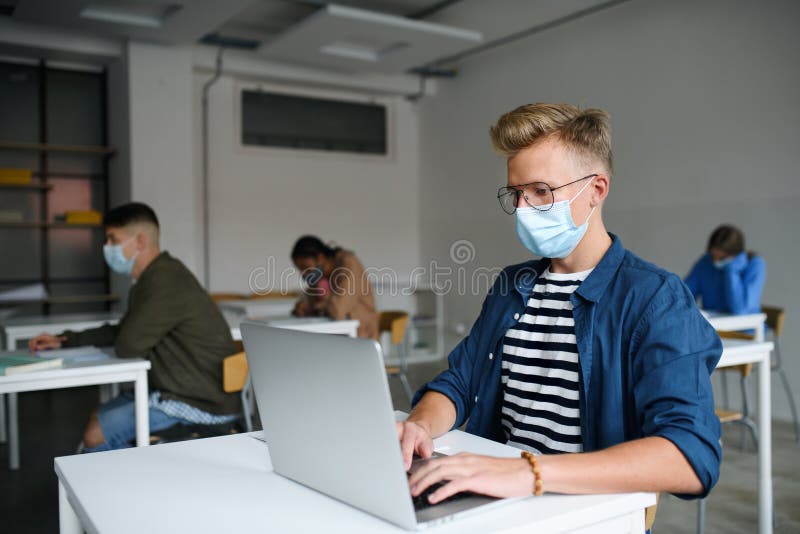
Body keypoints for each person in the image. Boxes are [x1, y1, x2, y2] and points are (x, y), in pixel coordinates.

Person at [399, 104, 722, 506]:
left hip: (576, 510)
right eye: (516, 193)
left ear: (596, 191)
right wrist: (420, 425)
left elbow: (691, 455)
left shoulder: (655, 298)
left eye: (541, 191)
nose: (523, 208)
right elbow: (459, 384)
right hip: (498, 497)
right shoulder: (511, 285)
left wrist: (528, 472)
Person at [29, 202, 240, 451]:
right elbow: (125, 330)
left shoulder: (163, 281)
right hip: (182, 390)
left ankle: (121, 488)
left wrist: (112, 336)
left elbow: (128, 345)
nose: (107, 248)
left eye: (112, 239)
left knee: (96, 435)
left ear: (139, 241)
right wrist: (65, 339)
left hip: (200, 404)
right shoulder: (155, 277)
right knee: (98, 414)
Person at [290, 235, 378, 339]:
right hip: (338, 338)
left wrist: (312, 307)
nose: (303, 274)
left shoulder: (348, 262)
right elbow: (310, 301)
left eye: (306, 268)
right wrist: (302, 307)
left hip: (361, 339)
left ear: (320, 258)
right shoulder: (321, 276)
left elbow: (337, 309)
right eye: (300, 270)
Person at [685, 224, 766, 314]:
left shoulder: (755, 264)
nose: (715, 261)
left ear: (736, 255)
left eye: (722, 258)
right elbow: (685, 294)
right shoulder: (705, 261)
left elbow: (740, 309)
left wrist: (731, 271)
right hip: (715, 324)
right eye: (713, 256)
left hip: (745, 325)